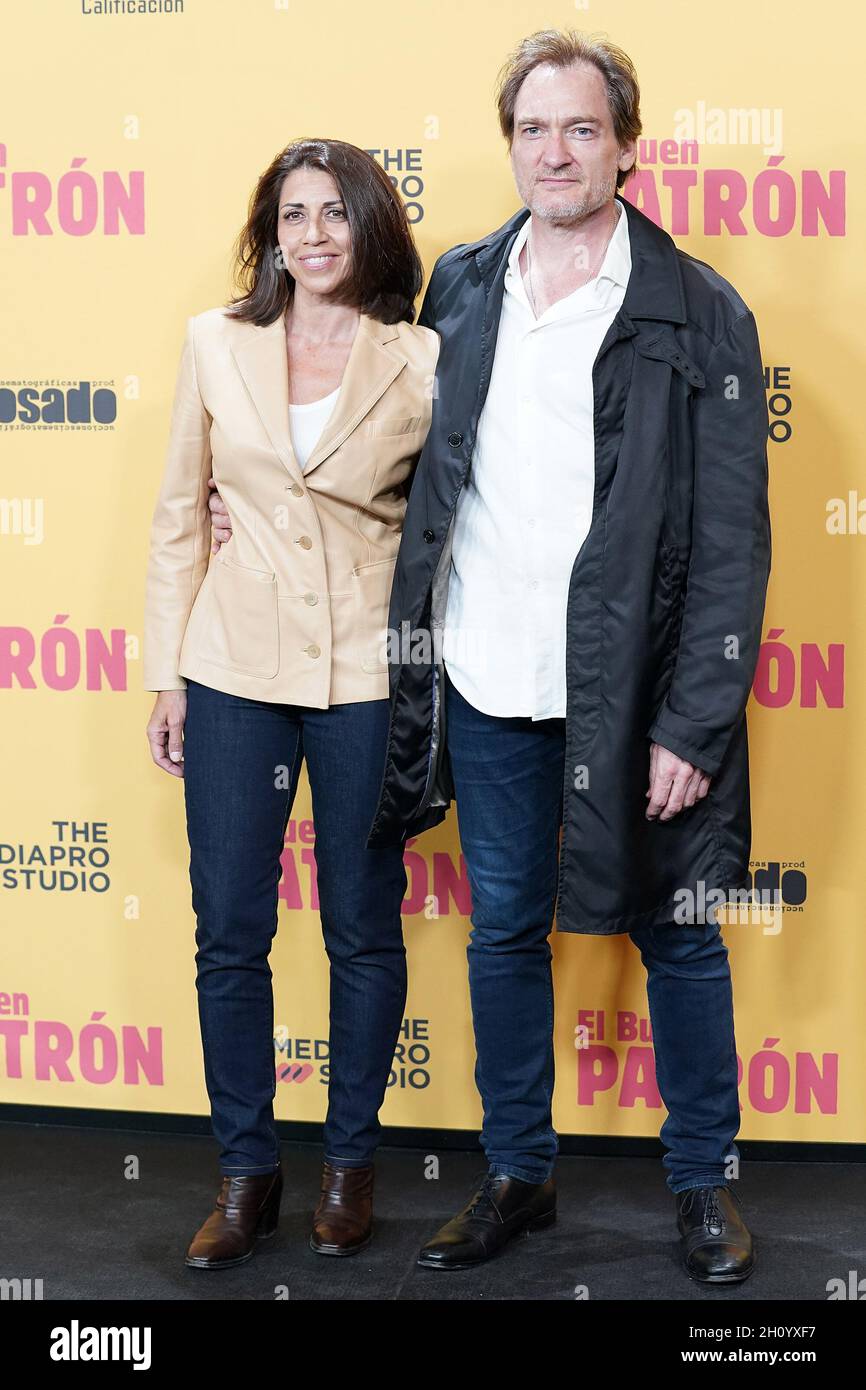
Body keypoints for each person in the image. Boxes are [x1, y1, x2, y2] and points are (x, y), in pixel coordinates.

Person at [209, 35, 771, 1285]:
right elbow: (380, 451)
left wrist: (695, 720)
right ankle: (517, 1173)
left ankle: (702, 1186)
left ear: (627, 143)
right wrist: (235, 501)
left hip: (634, 695)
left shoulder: (698, 306)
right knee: (503, 936)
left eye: (579, 130)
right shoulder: (459, 288)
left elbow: (732, 538)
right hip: (485, 679)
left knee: (676, 932)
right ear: (508, 141)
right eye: (531, 130)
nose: (553, 153)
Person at [143, 138, 439, 1269]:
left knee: (362, 929)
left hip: (367, 672)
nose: (312, 234)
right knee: (230, 928)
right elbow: (180, 514)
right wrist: (166, 674)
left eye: (334, 213)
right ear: (270, 233)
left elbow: (446, 517)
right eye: (292, 214)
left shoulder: (420, 359)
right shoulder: (214, 344)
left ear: (369, 226)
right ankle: (245, 1172)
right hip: (231, 671)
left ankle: (349, 1169)